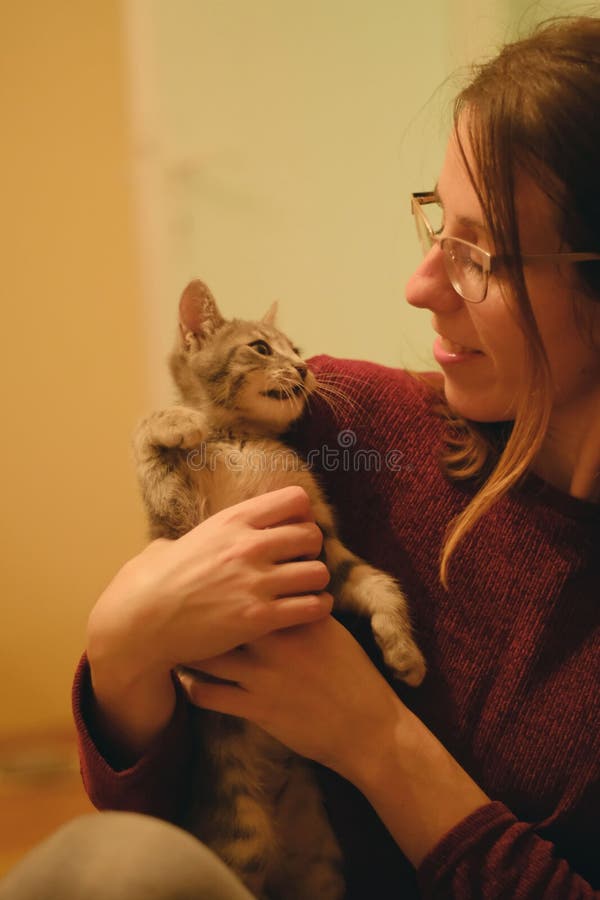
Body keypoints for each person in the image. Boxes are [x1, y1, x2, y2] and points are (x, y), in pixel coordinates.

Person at [3, 14, 598, 900]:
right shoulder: (343, 430)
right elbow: (166, 804)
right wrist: (123, 651)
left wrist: (377, 741)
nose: (420, 286)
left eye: (481, 255)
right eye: (437, 225)